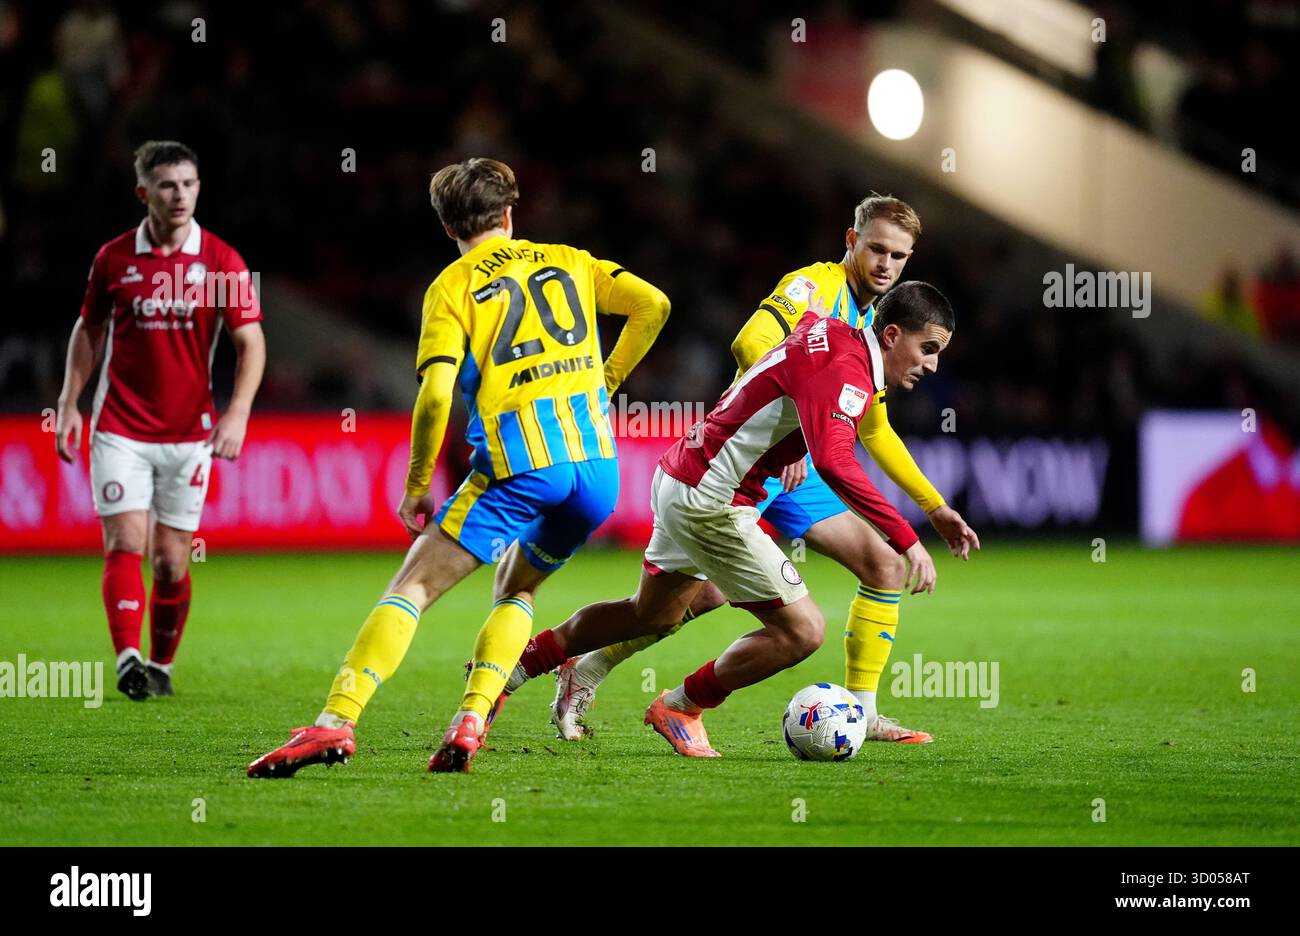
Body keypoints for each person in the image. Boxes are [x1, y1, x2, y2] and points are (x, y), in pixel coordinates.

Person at [247, 157, 669, 777]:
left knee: (411, 588)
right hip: (596, 472)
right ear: (508, 213)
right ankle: (472, 718)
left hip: (523, 460)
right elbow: (653, 304)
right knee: (518, 586)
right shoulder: (572, 261)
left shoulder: (451, 287)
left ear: (448, 227)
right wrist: (605, 380)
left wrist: (417, 485)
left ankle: (334, 723)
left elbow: (437, 396)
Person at [515, 197, 978, 743]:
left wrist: (933, 506)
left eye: (898, 256)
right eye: (875, 248)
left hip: (793, 462)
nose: (885, 264)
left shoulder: (877, 326)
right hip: (754, 461)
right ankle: (605, 672)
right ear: (851, 242)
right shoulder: (813, 287)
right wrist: (803, 421)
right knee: (700, 597)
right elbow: (749, 342)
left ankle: (862, 710)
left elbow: (873, 430)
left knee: (883, 566)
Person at [55, 140, 265, 701]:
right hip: (118, 426)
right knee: (125, 538)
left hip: (190, 432)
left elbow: (251, 341)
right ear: (143, 191)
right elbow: (89, 329)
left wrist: (237, 412)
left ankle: (161, 664)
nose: (181, 195)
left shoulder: (221, 261)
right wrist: (70, 400)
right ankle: (127, 658)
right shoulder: (114, 259)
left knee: (171, 560)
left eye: (190, 184)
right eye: (168, 185)